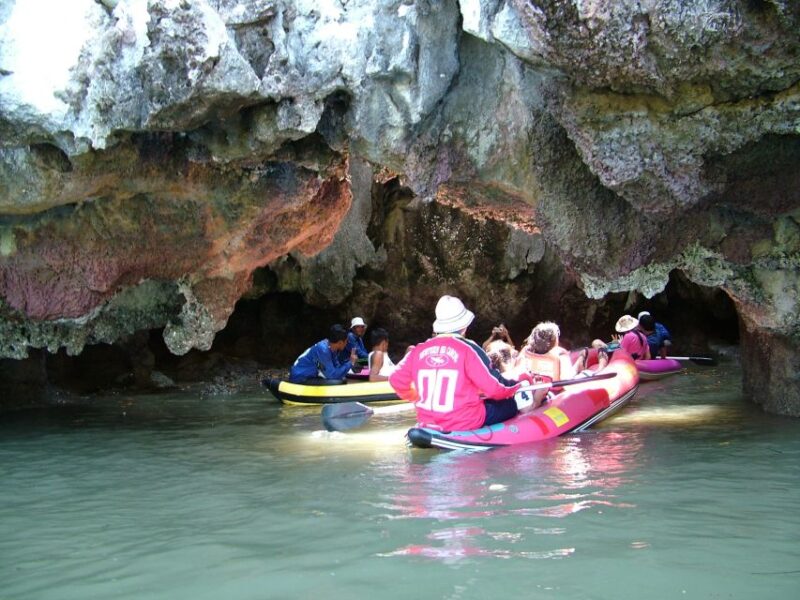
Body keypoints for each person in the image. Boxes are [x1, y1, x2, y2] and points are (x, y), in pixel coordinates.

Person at [389, 295, 541, 432]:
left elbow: (395, 379)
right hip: (465, 421)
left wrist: (416, 396)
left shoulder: (418, 350)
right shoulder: (468, 349)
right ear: (465, 326)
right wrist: (519, 381)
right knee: (510, 403)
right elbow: (497, 388)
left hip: (427, 420)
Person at [516, 321, 607, 380]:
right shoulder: (559, 355)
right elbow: (567, 378)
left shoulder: (527, 352)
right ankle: (601, 366)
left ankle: (581, 361)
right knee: (590, 354)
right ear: (554, 340)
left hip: (543, 383)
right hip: (561, 383)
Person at [289, 324, 358, 384]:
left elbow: (337, 367)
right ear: (340, 342)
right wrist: (350, 363)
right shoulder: (323, 350)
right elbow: (332, 375)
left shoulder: (332, 348)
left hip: (312, 373)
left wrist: (349, 364)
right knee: (336, 381)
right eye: (346, 341)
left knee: (341, 379)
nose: (347, 343)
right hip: (300, 377)